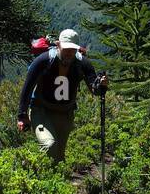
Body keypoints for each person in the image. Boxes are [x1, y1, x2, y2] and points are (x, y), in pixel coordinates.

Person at [17, 28, 107, 163]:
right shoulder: (44, 60)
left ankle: (51, 180)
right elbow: (27, 87)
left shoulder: (83, 63)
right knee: (49, 145)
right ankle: (33, 175)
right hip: (41, 111)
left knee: (59, 158)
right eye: (66, 49)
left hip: (65, 113)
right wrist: (22, 115)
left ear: (77, 48)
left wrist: (101, 85)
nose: (69, 53)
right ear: (58, 45)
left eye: (72, 49)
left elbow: (95, 89)